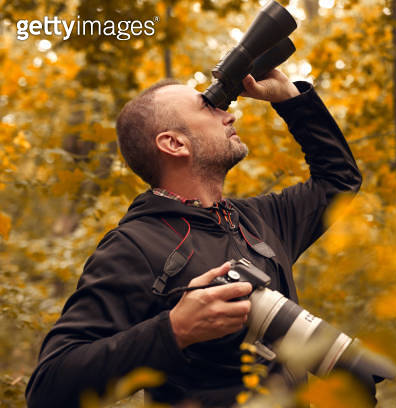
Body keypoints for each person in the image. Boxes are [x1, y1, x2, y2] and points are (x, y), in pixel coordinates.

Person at [25, 69, 362, 407]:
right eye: (208, 108)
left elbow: (339, 180)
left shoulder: (259, 220)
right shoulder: (134, 246)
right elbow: (49, 387)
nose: (228, 114)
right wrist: (175, 329)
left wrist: (290, 98)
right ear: (174, 143)